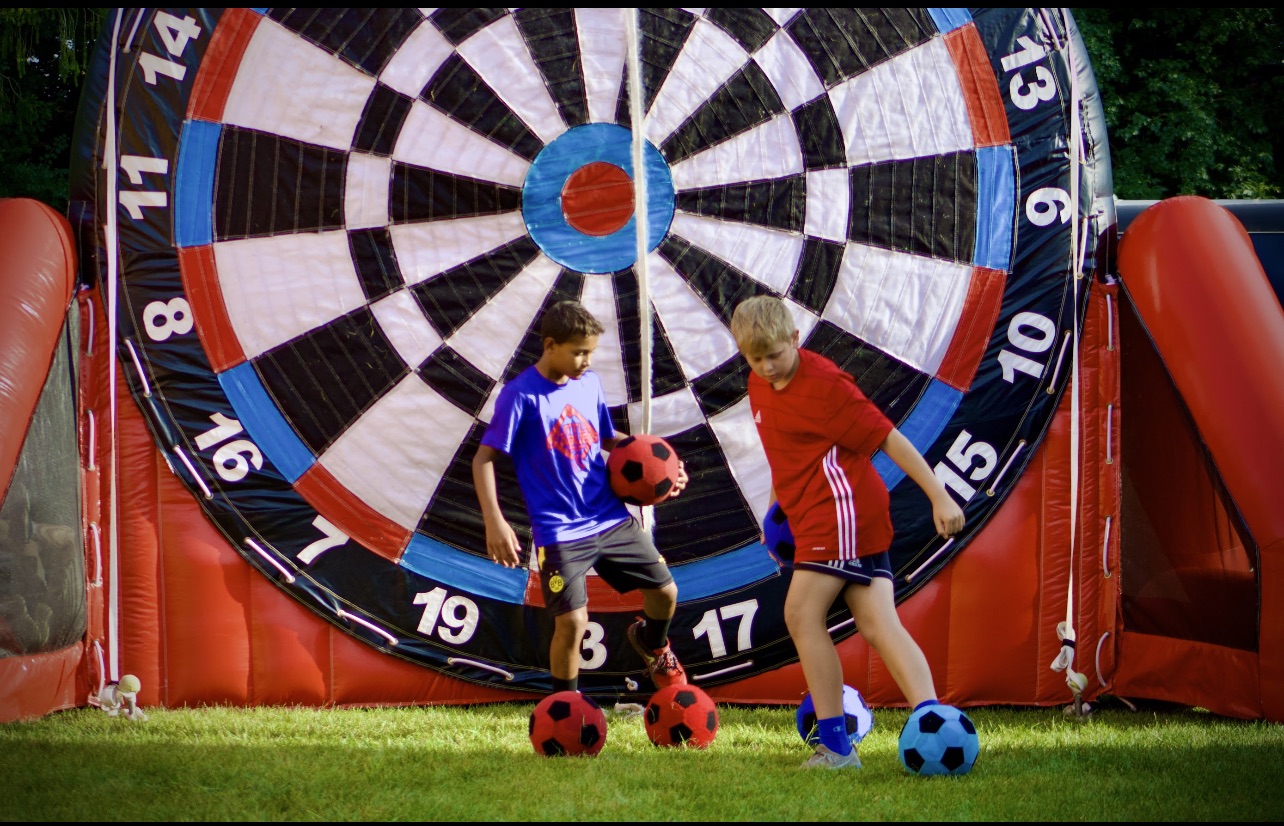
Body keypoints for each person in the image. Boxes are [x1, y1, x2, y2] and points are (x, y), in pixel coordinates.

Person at [730, 295, 965, 769]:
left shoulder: (827, 387)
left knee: (800, 613)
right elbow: (785, 455)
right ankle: (933, 720)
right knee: (878, 623)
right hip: (822, 514)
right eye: (755, 359)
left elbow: (889, 439)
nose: (767, 366)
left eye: (775, 354)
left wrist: (939, 495)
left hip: (843, 512)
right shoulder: (758, 385)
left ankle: (836, 748)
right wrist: (777, 511)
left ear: (795, 339)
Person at [472, 300, 689, 694]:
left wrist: (664, 469)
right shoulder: (519, 396)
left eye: (590, 352)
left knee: (665, 592)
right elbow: (482, 459)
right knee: (572, 623)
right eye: (579, 352)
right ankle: (565, 706)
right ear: (550, 345)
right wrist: (495, 521)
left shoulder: (588, 383)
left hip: (609, 516)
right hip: (559, 531)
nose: (586, 361)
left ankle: (653, 646)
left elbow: (608, 438)